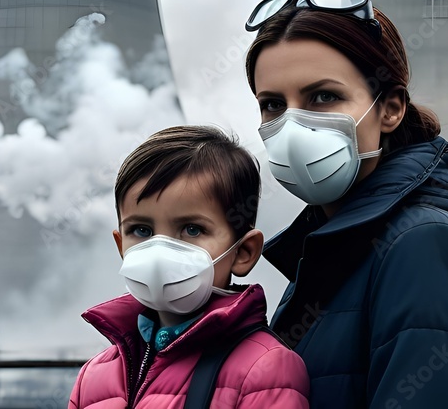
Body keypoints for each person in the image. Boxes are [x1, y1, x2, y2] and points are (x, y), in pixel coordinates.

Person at [243, 0, 448, 408]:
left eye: (323, 97)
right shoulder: (332, 252)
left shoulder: (428, 246)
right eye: (272, 105)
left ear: (390, 109)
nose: (292, 126)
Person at [68, 125, 310, 408]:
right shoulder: (94, 375)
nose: (159, 251)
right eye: (142, 230)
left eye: (192, 229)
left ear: (243, 252)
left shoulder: (266, 370)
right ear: (121, 246)